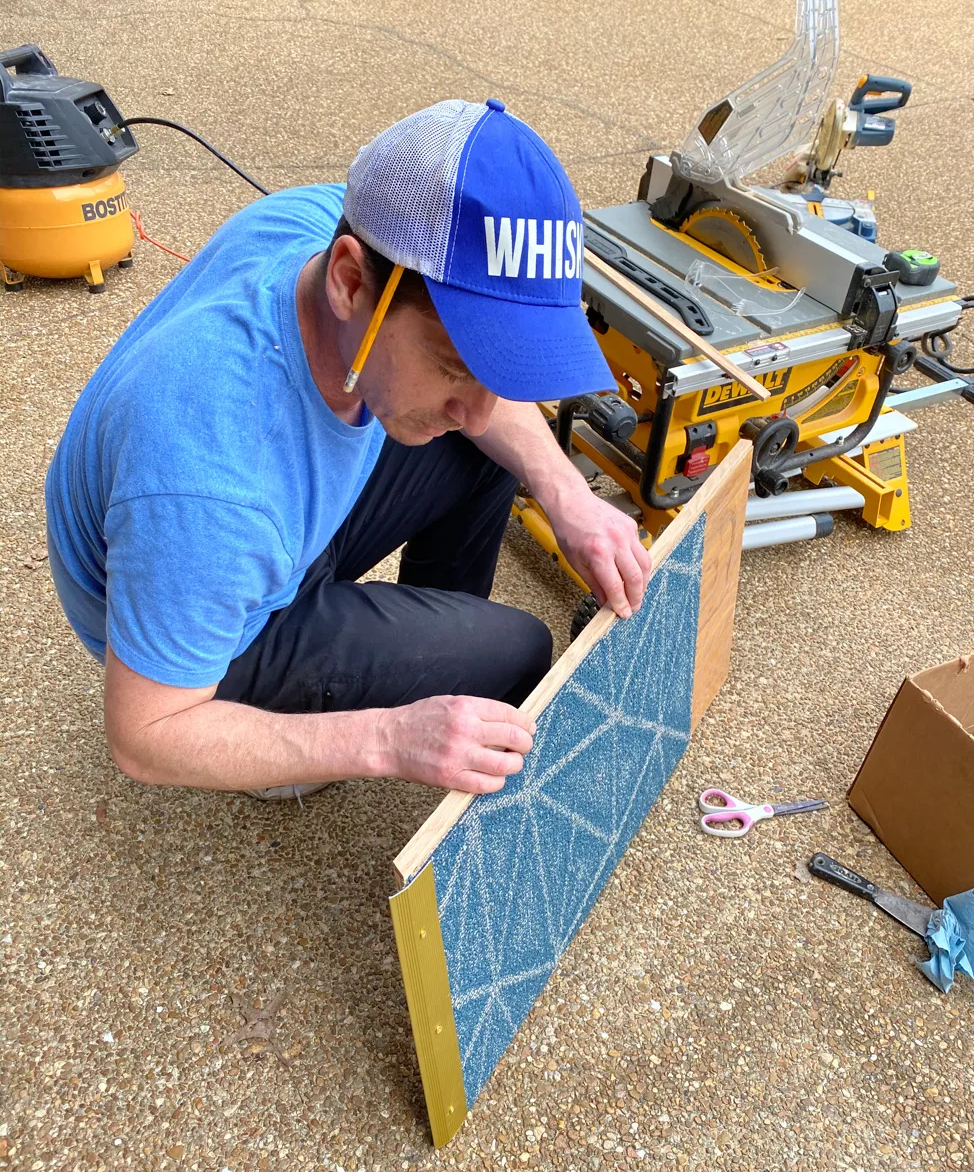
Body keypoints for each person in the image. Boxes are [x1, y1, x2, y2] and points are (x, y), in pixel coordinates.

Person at [45, 98, 653, 802]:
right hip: (222, 628)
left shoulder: (338, 224)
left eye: (496, 367)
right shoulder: (211, 478)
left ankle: (434, 666)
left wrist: (568, 495)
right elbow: (146, 734)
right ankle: (383, 705)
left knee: (488, 447)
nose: (479, 407)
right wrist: (387, 737)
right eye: (456, 365)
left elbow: (478, 395)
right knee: (519, 651)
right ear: (349, 279)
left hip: (249, 527)